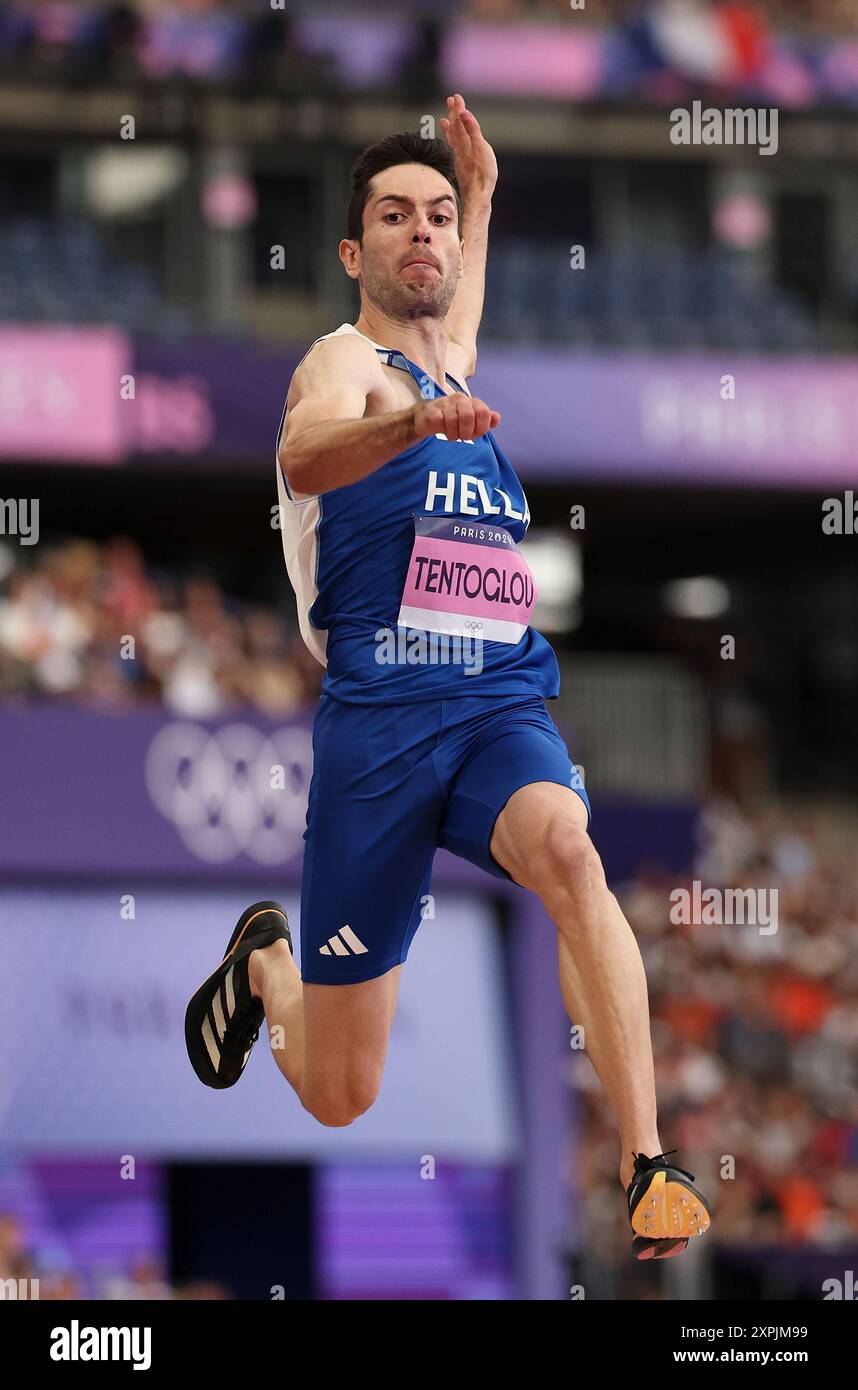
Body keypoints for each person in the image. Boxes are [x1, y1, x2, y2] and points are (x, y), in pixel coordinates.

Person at [185, 95, 711, 1261]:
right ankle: (268, 965)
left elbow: (455, 325)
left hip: (493, 703)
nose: (419, 235)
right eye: (393, 217)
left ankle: (647, 1160)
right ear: (352, 250)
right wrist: (414, 427)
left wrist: (481, 195)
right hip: (378, 729)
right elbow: (303, 453)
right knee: (340, 1093)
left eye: (434, 220)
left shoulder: (445, 357)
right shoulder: (345, 368)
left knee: (572, 852)